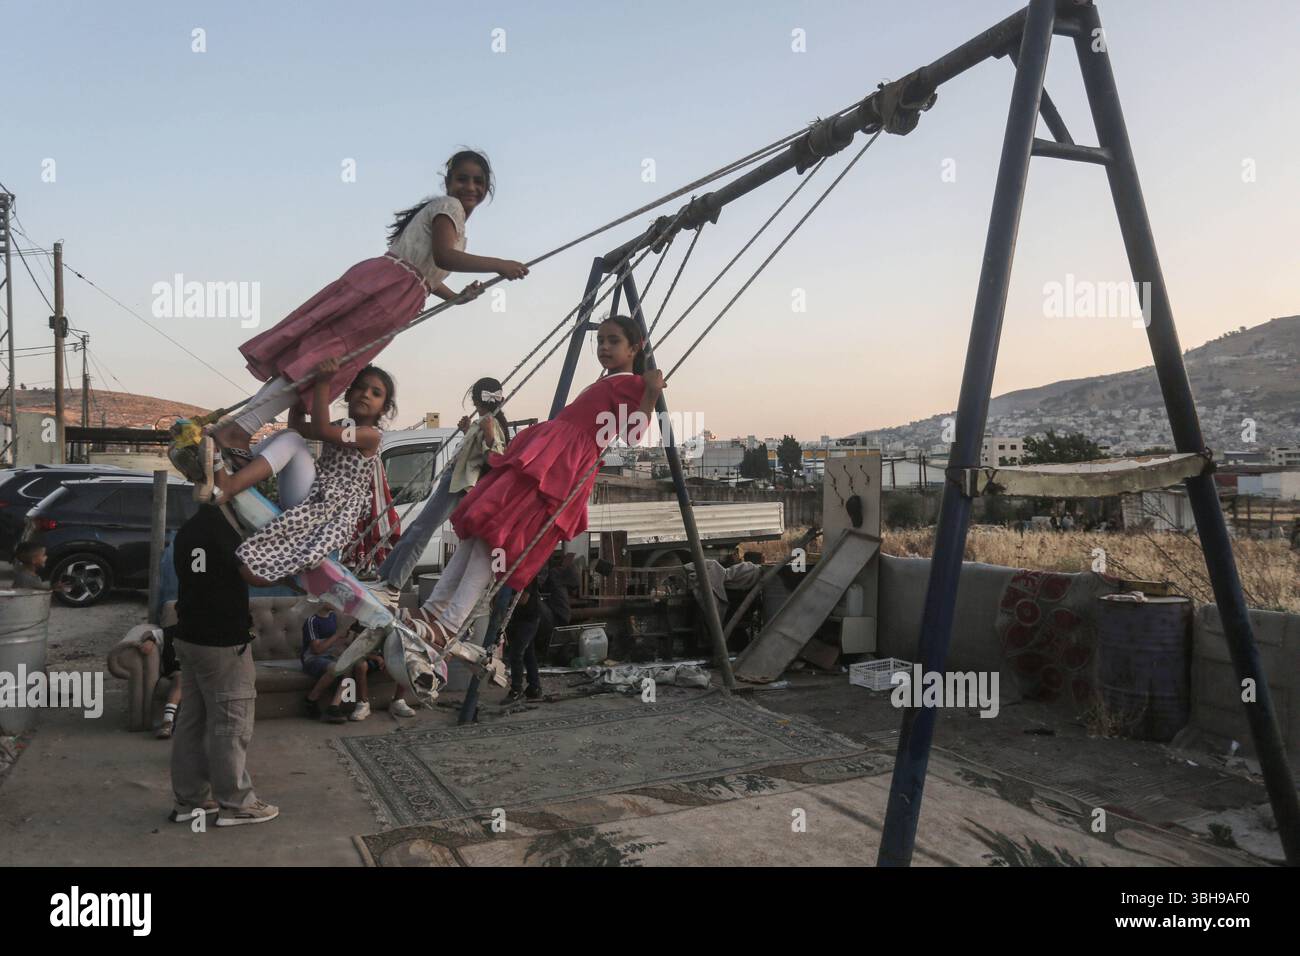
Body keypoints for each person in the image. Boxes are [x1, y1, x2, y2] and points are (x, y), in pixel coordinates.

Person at [214, 149, 528, 456]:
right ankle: (238, 431)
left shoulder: (455, 221)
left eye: (477, 181)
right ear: (448, 182)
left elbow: (426, 274)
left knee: (312, 355)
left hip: (391, 289)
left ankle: (237, 427)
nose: (470, 187)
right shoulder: (450, 207)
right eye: (463, 179)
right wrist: (500, 264)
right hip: (389, 294)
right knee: (317, 358)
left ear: (486, 188)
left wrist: (456, 298)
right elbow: (445, 257)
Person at [396, 314, 661, 651]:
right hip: (550, 452)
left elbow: (634, 434)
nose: (604, 347)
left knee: (493, 538)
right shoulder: (607, 381)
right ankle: (433, 613)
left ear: (635, 347)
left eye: (614, 341)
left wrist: (650, 392)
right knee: (480, 531)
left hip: (560, 463)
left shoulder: (632, 384)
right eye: (600, 340)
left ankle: (448, 624)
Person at [215, 362, 395, 586]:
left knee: (292, 440)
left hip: (327, 506)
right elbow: (297, 425)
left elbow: (320, 430)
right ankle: (232, 458)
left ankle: (230, 484)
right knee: (290, 435)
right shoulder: (341, 426)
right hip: (315, 494)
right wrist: (303, 395)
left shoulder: (370, 436)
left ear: (384, 408)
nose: (366, 394)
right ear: (348, 395)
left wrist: (323, 383)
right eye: (360, 388)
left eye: (375, 393)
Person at [168, 502, 278, 827]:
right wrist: (298, 571)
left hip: (190, 636)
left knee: (192, 722)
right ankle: (236, 803)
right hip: (222, 644)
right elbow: (254, 575)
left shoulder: (190, 529)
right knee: (232, 723)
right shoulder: (224, 532)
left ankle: (191, 800)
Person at [368, 376, 510, 605]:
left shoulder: (491, 424)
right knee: (417, 528)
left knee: (421, 530)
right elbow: (475, 455)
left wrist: (490, 435)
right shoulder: (486, 420)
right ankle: (384, 578)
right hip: (453, 480)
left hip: (458, 485)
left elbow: (496, 459)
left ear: (476, 399)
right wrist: (467, 432)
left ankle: (393, 586)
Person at [299, 608, 397, 722]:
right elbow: (316, 650)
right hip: (313, 659)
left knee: (348, 666)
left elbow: (342, 643)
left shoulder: (333, 617)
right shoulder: (312, 620)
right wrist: (337, 635)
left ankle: (333, 707)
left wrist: (345, 637)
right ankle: (311, 699)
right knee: (336, 668)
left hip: (332, 656)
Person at [502, 576, 544, 703]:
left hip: (529, 618)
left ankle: (516, 689)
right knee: (528, 654)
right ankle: (534, 687)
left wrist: (503, 600)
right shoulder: (514, 573)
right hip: (522, 618)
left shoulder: (528, 574)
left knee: (516, 653)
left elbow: (524, 599)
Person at [139, 626, 184, 739]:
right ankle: (167, 721)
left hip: (202, 671)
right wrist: (149, 640)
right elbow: (149, 633)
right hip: (178, 671)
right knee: (180, 678)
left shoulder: (205, 630)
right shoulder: (170, 632)